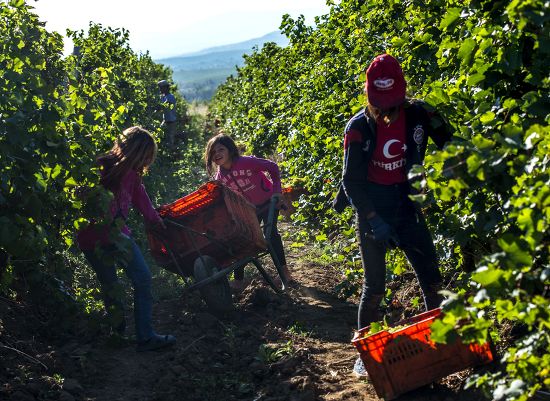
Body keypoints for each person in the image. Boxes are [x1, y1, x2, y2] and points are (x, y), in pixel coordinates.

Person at [336, 54, 452, 376]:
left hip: (406, 201)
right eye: (380, 103)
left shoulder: (421, 114)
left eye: (393, 102)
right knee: (374, 286)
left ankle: (439, 341)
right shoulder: (357, 128)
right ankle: (366, 355)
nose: (387, 110)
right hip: (372, 204)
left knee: (431, 277)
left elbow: (451, 143)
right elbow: (351, 182)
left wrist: (460, 165)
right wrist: (373, 219)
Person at [77, 126, 176, 352]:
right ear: (137, 151)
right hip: (104, 237)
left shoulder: (130, 173)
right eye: (147, 156)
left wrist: (155, 220)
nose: (148, 161)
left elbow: (141, 198)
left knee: (116, 284)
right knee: (135, 280)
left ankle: (126, 334)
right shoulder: (102, 167)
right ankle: (136, 335)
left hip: (105, 236)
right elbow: (81, 193)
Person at [204, 133, 293, 292]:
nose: (216, 154)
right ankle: (239, 281)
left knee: (270, 235)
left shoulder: (246, 162)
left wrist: (277, 191)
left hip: (268, 202)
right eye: (212, 152)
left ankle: (285, 273)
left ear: (230, 150)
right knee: (243, 240)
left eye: (220, 149)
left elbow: (272, 167)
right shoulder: (220, 178)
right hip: (250, 210)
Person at [158, 80, 177, 147]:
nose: (160, 89)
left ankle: (171, 153)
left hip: (171, 121)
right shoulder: (163, 97)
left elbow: (163, 106)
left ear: (166, 88)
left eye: (161, 88)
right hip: (165, 121)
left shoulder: (170, 97)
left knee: (170, 139)